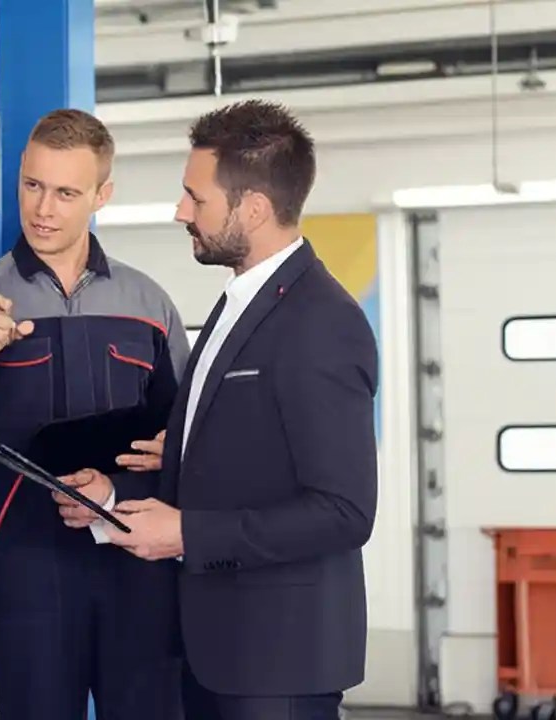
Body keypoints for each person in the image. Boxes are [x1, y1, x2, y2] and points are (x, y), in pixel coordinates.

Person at [58, 99, 379, 720]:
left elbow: (343, 511)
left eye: (196, 197)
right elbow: (227, 464)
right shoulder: (238, 307)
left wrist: (184, 533)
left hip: (278, 662)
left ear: (253, 208)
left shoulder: (321, 323)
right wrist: (114, 492)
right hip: (213, 650)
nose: (182, 211)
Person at [0, 108, 190, 720]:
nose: (43, 209)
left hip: (135, 564)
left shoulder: (148, 304)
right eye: (33, 186)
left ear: (102, 195)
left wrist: (122, 488)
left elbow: (180, 440)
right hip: (28, 570)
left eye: (67, 192)